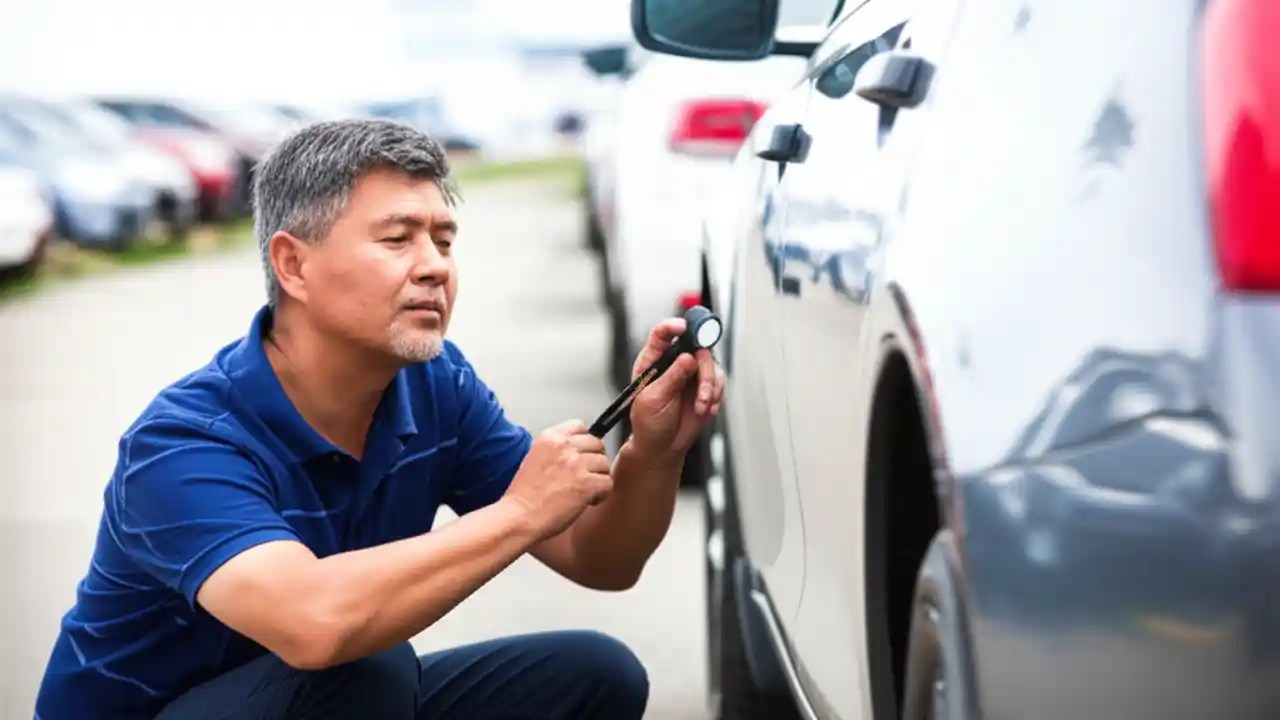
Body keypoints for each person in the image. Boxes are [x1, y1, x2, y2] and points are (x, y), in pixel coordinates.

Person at [34, 118, 725, 719]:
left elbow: (601, 558)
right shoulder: (185, 442)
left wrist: (655, 450)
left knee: (592, 676)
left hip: (324, 700)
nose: (433, 267)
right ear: (293, 265)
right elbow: (315, 625)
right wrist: (518, 513)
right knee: (365, 669)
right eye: (398, 240)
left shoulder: (434, 384)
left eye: (444, 241)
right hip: (183, 709)